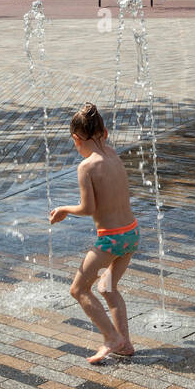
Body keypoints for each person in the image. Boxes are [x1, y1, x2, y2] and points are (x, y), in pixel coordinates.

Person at [49, 103, 137, 364]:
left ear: (76, 139)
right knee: (108, 287)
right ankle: (125, 344)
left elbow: (88, 208)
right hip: (132, 234)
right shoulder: (113, 154)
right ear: (106, 133)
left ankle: (111, 338)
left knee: (78, 289)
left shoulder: (86, 167)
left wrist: (64, 209)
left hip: (111, 239)